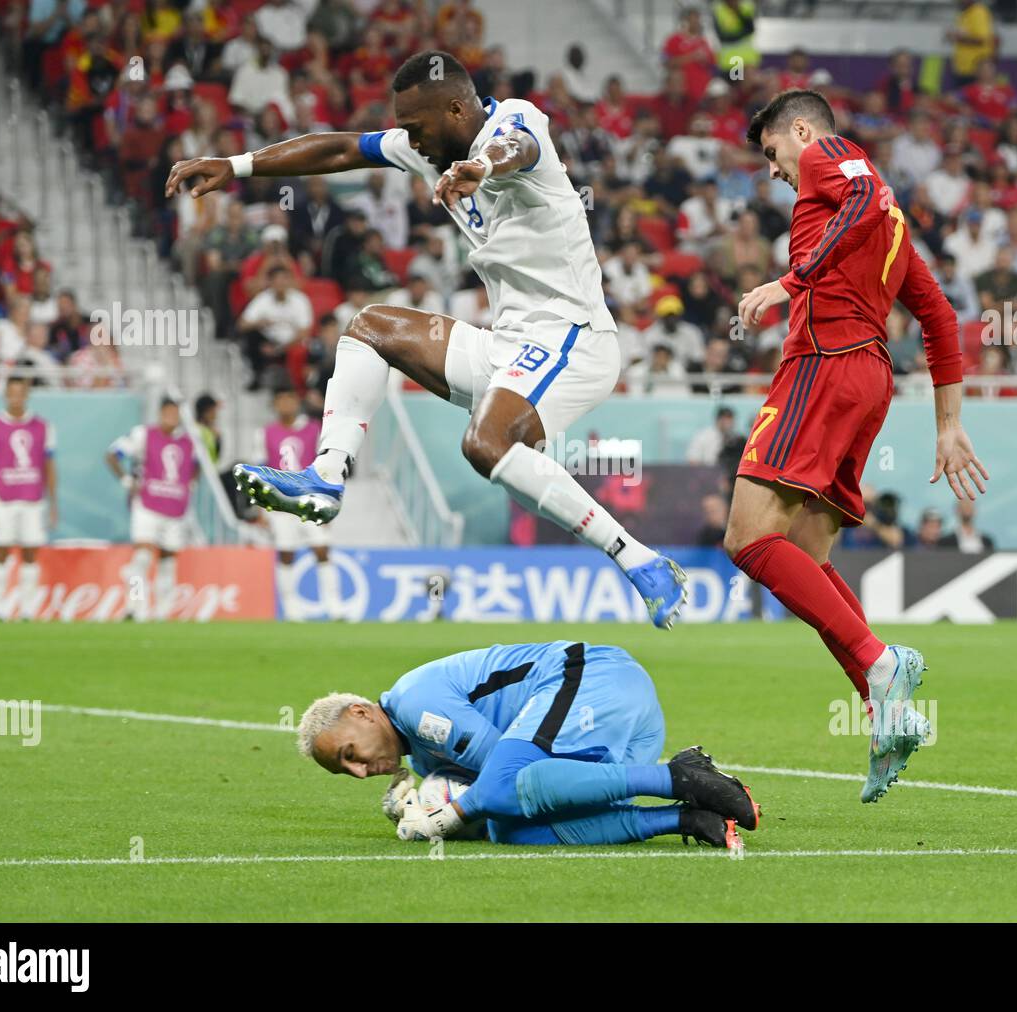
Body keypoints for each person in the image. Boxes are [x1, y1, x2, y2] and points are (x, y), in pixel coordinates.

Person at [166, 50, 687, 629]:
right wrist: (235, 166)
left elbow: (515, 149)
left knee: (485, 444)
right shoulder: (427, 147)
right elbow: (341, 148)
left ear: (458, 109)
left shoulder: (515, 120)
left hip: (575, 339)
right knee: (370, 328)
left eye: (416, 126)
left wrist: (481, 169)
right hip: (510, 345)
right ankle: (327, 475)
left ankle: (640, 561)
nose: (409, 138)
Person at [733, 89, 988, 803]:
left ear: (803, 131)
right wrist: (948, 423)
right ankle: (889, 711)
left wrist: (792, 280)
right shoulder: (897, 227)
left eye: (772, 152)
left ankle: (881, 666)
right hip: (869, 376)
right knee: (805, 557)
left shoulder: (831, 158)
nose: (777, 171)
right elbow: (938, 317)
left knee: (748, 540)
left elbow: (864, 191)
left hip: (822, 362)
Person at [298, 640, 759, 848]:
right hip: (617, 733)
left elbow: (504, 781)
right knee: (513, 830)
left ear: (360, 713)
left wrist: (442, 816)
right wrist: (430, 803)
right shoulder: (420, 755)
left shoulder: (416, 704)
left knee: (504, 793)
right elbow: (505, 806)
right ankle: (686, 818)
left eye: (349, 754)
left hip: (591, 677)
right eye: (347, 772)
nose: (360, 770)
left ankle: (679, 777)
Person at [255, 387, 343, 622]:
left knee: (322, 549)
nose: (285, 405)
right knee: (286, 553)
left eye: (289, 400)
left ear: (297, 402)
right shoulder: (264, 433)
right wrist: (260, 507)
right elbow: (261, 472)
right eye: (281, 400)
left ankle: (333, 605)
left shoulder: (314, 429)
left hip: (310, 501)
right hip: (280, 503)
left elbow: (325, 468)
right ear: (274, 405)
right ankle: (291, 607)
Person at [106, 398, 198, 621]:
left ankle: (163, 611)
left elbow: (195, 467)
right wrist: (127, 480)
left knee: (168, 560)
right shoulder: (143, 435)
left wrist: (190, 485)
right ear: (159, 413)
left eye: (175, 414)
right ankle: (135, 606)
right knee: (142, 557)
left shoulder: (188, 442)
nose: (171, 418)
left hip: (176, 507)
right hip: (147, 505)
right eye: (167, 413)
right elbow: (112, 454)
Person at [0, 376, 58, 620]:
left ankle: (27, 609)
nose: (16, 398)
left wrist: (53, 502)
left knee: (31, 552)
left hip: (33, 498)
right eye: (12, 393)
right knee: (1, 551)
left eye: (21, 393)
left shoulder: (43, 426)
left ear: (27, 395)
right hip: (3, 498)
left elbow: (49, 465)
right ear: (5, 395)